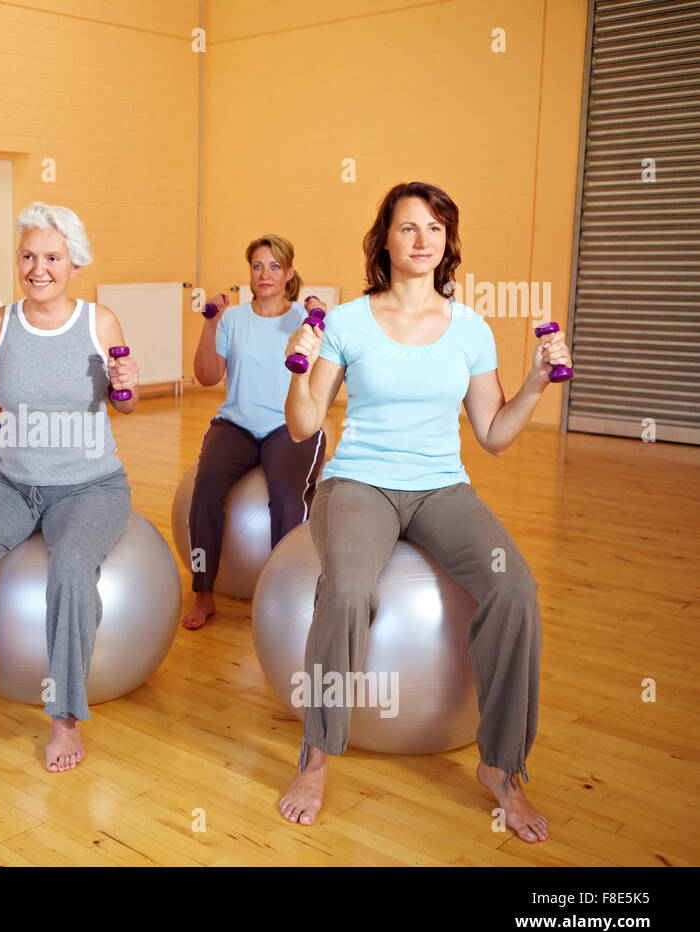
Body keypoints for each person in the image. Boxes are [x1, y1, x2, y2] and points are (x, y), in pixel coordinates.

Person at [278, 181, 568, 842]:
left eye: (435, 228)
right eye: (408, 227)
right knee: (347, 589)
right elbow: (302, 426)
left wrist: (535, 383)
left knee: (516, 589)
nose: (421, 240)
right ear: (384, 239)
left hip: (441, 487)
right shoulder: (347, 322)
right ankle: (316, 756)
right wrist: (297, 369)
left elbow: (493, 435)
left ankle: (503, 768)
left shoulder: (471, 328)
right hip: (359, 483)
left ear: (448, 241)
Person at [0, 202, 139, 772]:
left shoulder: (99, 322)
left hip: (89, 486)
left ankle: (65, 718)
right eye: (28, 257)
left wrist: (130, 384)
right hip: (12, 481)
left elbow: (126, 404)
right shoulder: (0, 323)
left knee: (69, 572)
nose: (38, 269)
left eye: (52, 258)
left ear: (74, 264)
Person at [182, 235, 327, 629]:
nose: (265, 274)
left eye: (275, 266)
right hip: (237, 424)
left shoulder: (303, 320)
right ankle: (203, 591)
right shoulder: (233, 319)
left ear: (289, 273)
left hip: (287, 425)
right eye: (258, 266)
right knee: (205, 487)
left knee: (286, 495)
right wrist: (210, 324)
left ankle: (285, 591)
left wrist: (319, 319)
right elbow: (207, 376)